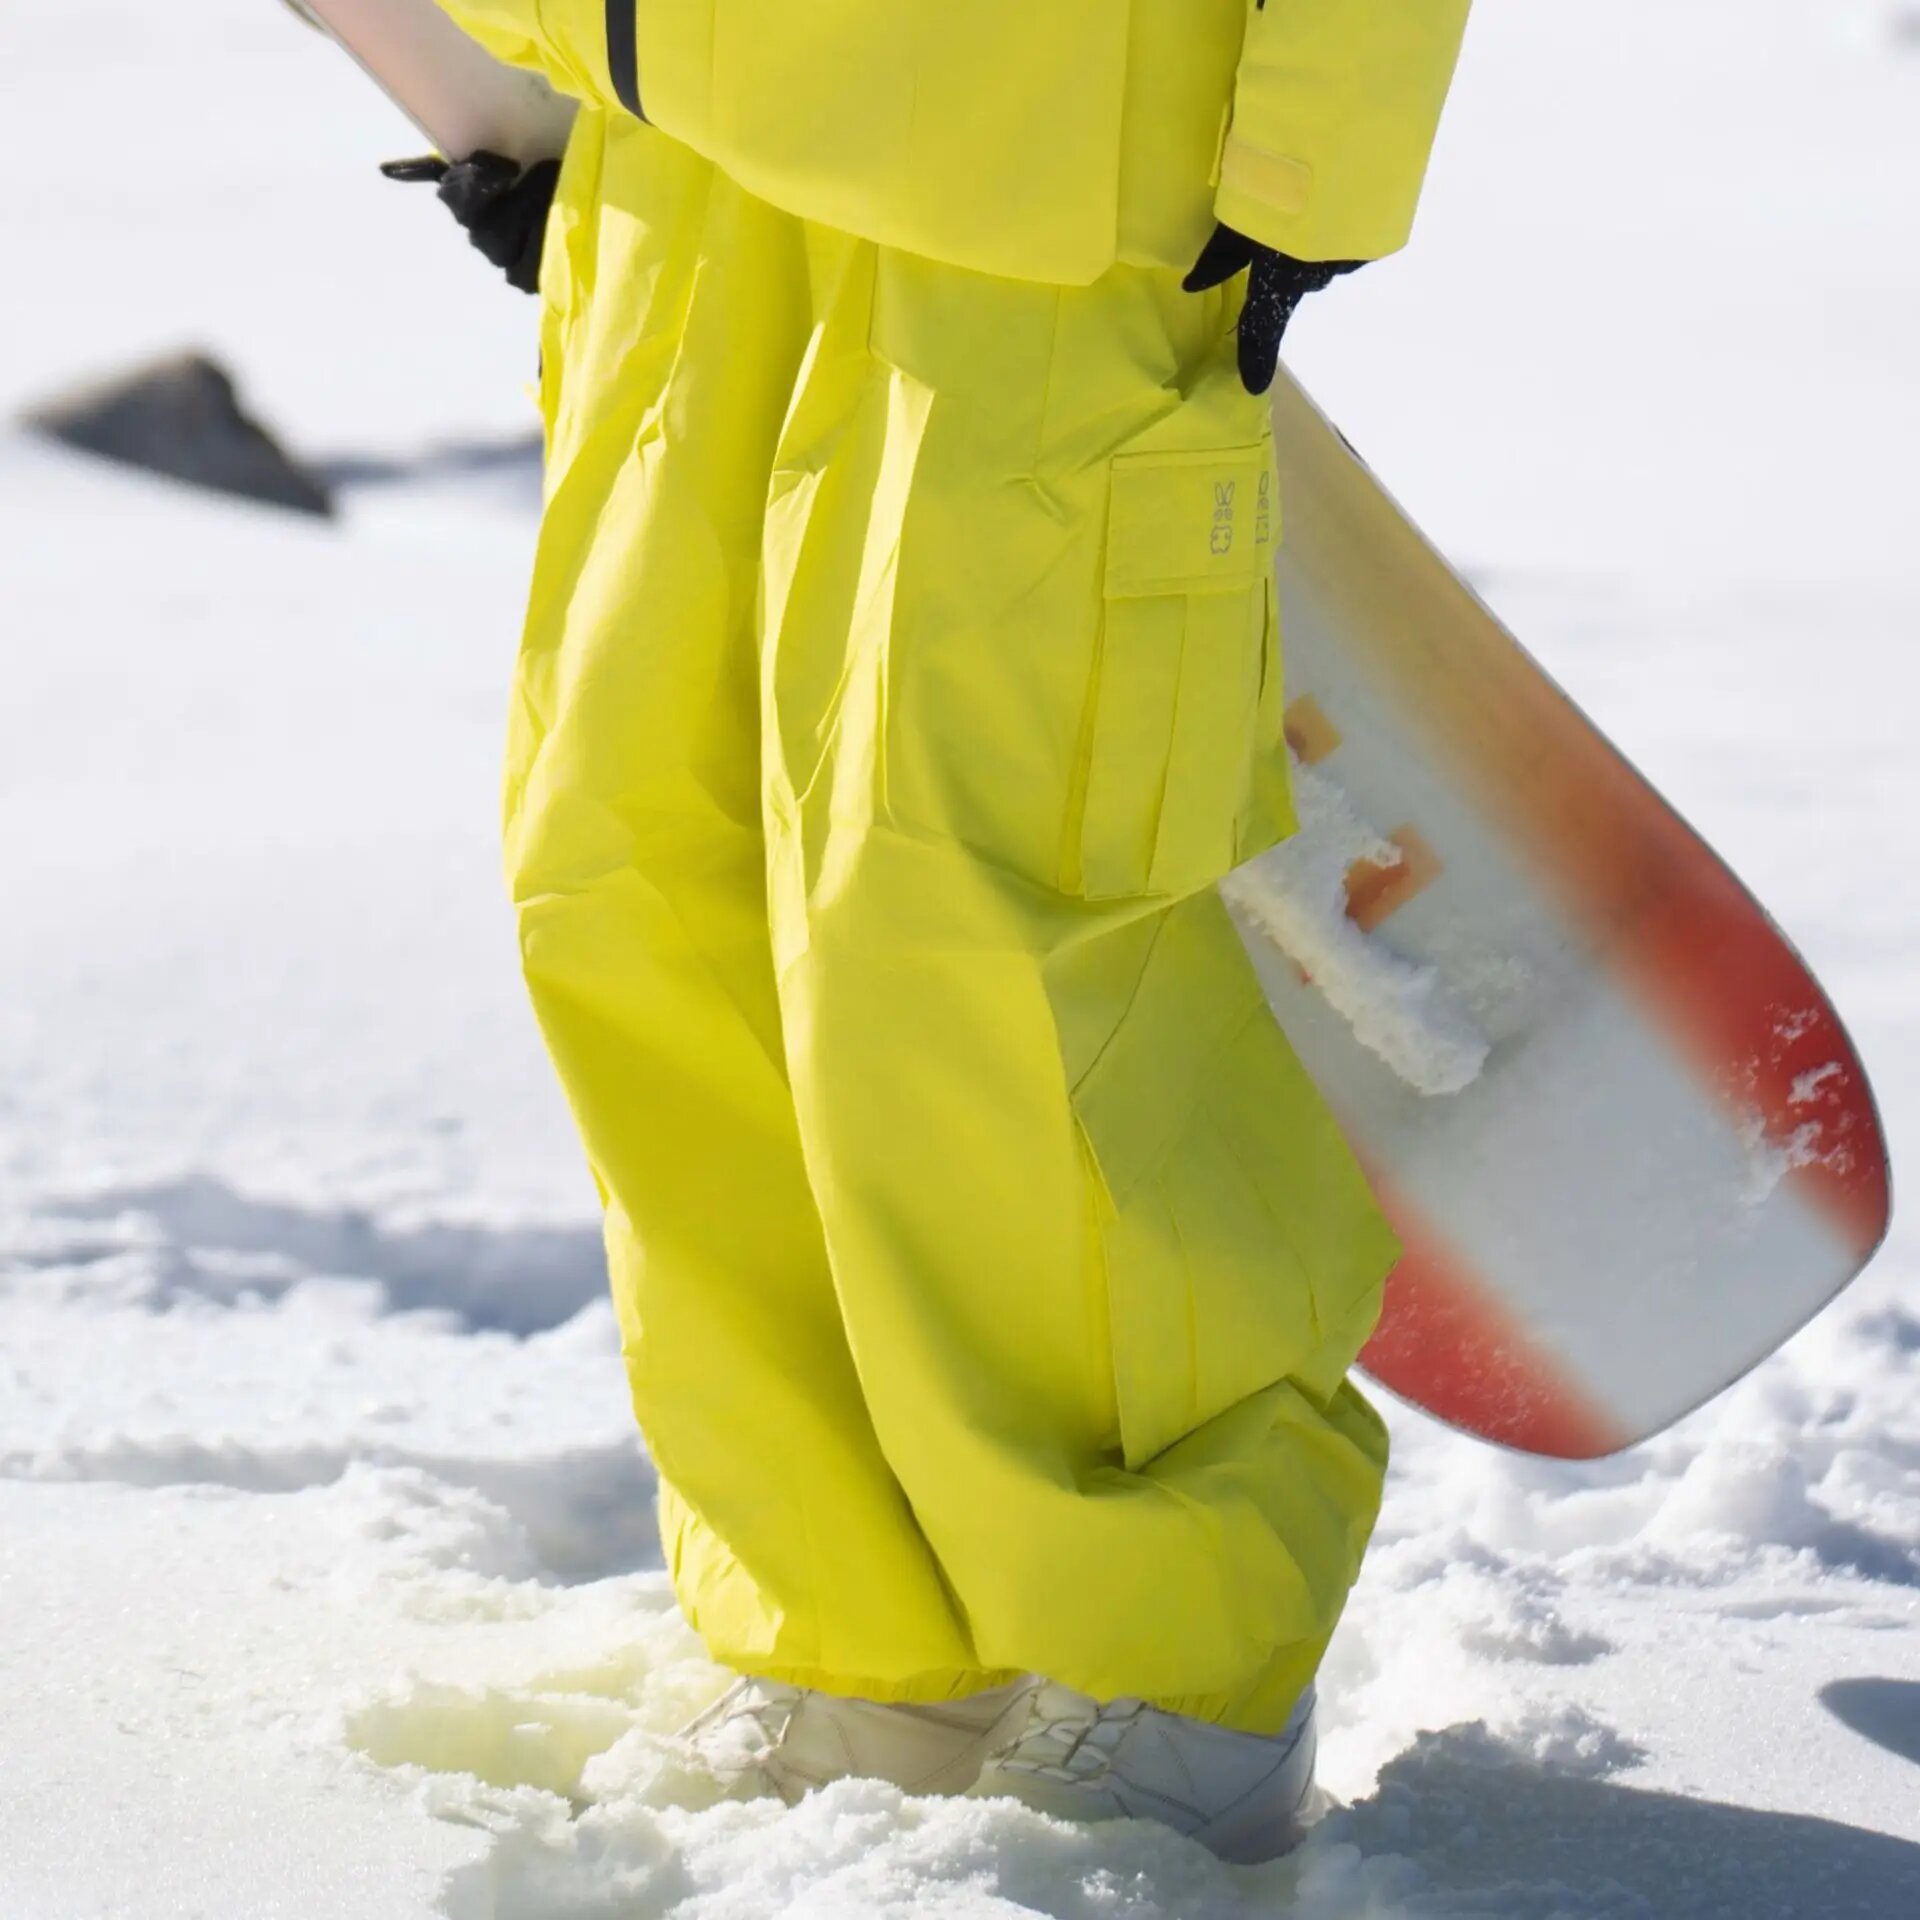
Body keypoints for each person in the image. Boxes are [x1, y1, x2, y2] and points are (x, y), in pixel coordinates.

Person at [410, 0, 1470, 1863]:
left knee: (971, 919)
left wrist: (1312, 158)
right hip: (670, 181)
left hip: (1040, 165)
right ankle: (853, 1623)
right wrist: (490, 87)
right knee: (644, 879)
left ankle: (1173, 1641)